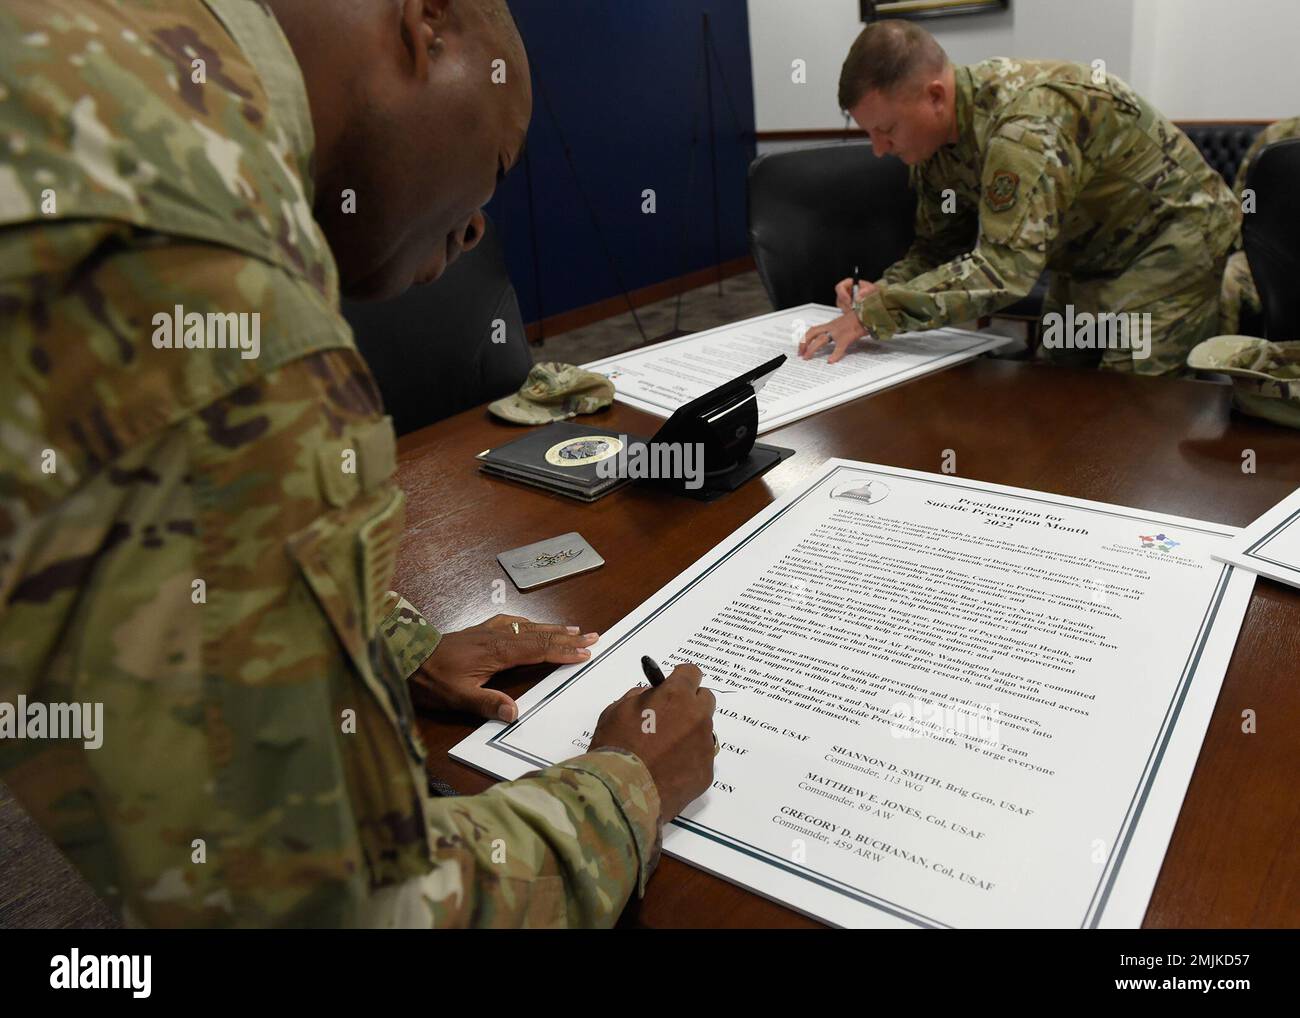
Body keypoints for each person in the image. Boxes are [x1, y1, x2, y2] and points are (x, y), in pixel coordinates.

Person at [0, 0, 715, 927]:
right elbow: (328, 910)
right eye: (494, 172)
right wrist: (626, 791)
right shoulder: (213, 285)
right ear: (426, 27)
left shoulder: (105, 49)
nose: (472, 234)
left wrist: (389, 644)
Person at [800, 20, 1239, 376]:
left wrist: (875, 314)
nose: (879, 149)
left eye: (887, 129)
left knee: (1126, 395)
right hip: (1086, 255)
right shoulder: (930, 146)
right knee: (1056, 381)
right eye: (869, 132)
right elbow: (937, 248)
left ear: (935, 95)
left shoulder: (1025, 125)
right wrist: (883, 290)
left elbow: (1003, 270)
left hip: (1175, 238)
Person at [1219, 116, 1300, 335]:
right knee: (1226, 280)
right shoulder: (1278, 134)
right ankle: (1225, 363)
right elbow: (1246, 195)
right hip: (1269, 251)